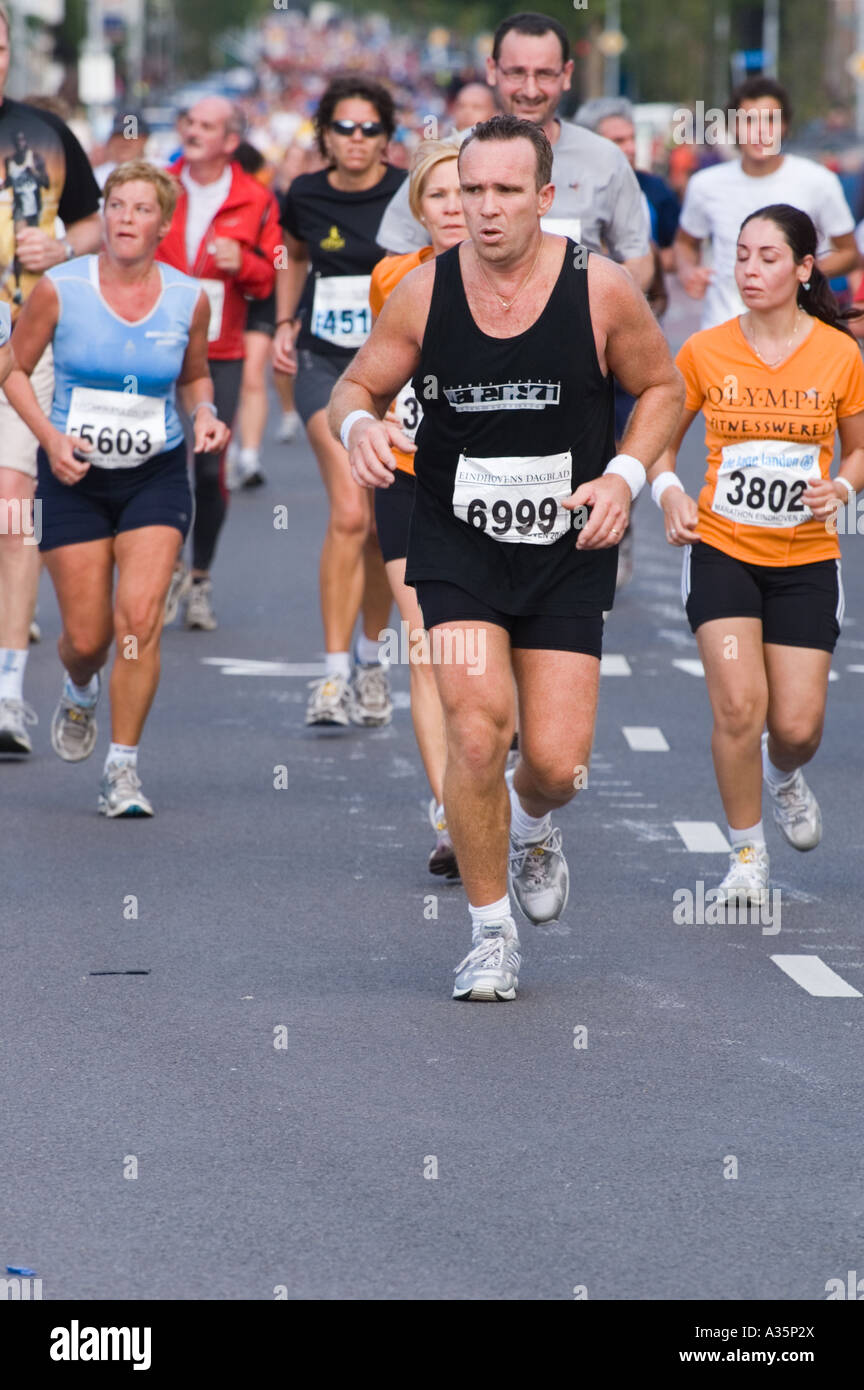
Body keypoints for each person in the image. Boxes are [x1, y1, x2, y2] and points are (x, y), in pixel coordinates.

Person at [330, 115, 683, 1000]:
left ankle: (532, 824)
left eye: (505, 192)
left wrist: (626, 477)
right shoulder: (424, 291)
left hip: (567, 542)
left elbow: (665, 387)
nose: (485, 210)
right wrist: (360, 425)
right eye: (473, 191)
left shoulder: (600, 290)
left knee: (557, 761)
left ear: (545, 199)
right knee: (479, 727)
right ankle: (491, 936)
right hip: (457, 543)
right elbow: (356, 383)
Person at [2, 160, 229, 813]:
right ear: (103, 214)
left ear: (163, 223)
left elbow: (194, 376)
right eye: (116, 206)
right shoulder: (59, 288)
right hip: (73, 475)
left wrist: (207, 412)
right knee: (87, 638)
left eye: (140, 209)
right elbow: (11, 366)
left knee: (138, 619)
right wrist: (48, 438)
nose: (126, 218)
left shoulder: (189, 297)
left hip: (155, 473)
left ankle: (122, 769)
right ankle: (79, 689)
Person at [652, 205, 864, 902]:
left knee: (796, 727)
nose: (750, 270)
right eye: (741, 255)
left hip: (805, 558)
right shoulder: (705, 351)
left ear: (805, 269)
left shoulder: (839, 354)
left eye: (769, 257)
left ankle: (784, 776)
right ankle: (746, 858)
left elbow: (860, 449)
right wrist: (669, 491)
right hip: (723, 550)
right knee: (740, 708)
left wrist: (840, 484)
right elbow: (654, 435)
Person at [272, 76, 406, 728]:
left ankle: (372, 661)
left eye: (370, 129)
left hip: (393, 373)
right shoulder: (304, 193)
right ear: (324, 134)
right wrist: (283, 324)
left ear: (387, 137)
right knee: (351, 511)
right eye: (344, 128)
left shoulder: (408, 195)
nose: (356, 140)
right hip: (326, 365)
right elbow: (294, 259)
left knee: (382, 524)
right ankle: (331, 678)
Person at [375, 10, 653, 294]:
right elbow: (398, 261)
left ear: (567, 74)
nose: (530, 90)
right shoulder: (446, 156)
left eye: (544, 74)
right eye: (516, 73)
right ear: (493, 70)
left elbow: (637, 259)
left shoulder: (605, 158)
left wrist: (590, 309)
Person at [0, 0, 103, 754]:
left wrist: (62, 247)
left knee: (13, 506)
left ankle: (7, 692)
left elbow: (96, 222)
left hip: (20, 349)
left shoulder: (42, 133)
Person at [370, 137, 467, 878]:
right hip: (409, 478)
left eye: (467, 193)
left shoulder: (533, 281)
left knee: (498, 651)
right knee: (424, 642)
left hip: (500, 489)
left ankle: (495, 778)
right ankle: (450, 814)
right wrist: (367, 423)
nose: (456, 209)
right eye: (439, 197)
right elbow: (372, 377)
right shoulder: (392, 279)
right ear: (420, 208)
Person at [158, 97, 282, 630]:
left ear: (231, 140)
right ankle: (165, 572)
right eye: (189, 122)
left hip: (221, 348)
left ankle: (200, 577)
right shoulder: (158, 184)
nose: (193, 132)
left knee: (209, 469)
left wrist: (245, 262)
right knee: (155, 463)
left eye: (207, 126)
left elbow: (272, 274)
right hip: (151, 345)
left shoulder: (255, 198)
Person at [575, 94, 682, 587]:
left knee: (626, 432)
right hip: (575, 330)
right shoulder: (568, 181)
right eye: (611, 140)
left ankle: (620, 515)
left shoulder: (654, 190)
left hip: (633, 325)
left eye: (627, 140)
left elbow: (667, 254)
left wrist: (654, 273)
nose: (622, 149)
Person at [675, 77, 859, 331]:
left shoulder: (818, 181)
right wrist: (687, 270)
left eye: (770, 120)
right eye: (749, 121)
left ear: (785, 126)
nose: (760, 131)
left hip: (796, 329)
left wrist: (802, 270)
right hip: (723, 326)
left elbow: (849, 253)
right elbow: (685, 242)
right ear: (734, 128)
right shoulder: (705, 184)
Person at [91, 110, 151, 189]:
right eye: (119, 135)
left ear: (144, 139)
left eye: (131, 135)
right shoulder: (95, 178)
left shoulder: (162, 172)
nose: (125, 141)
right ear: (110, 140)